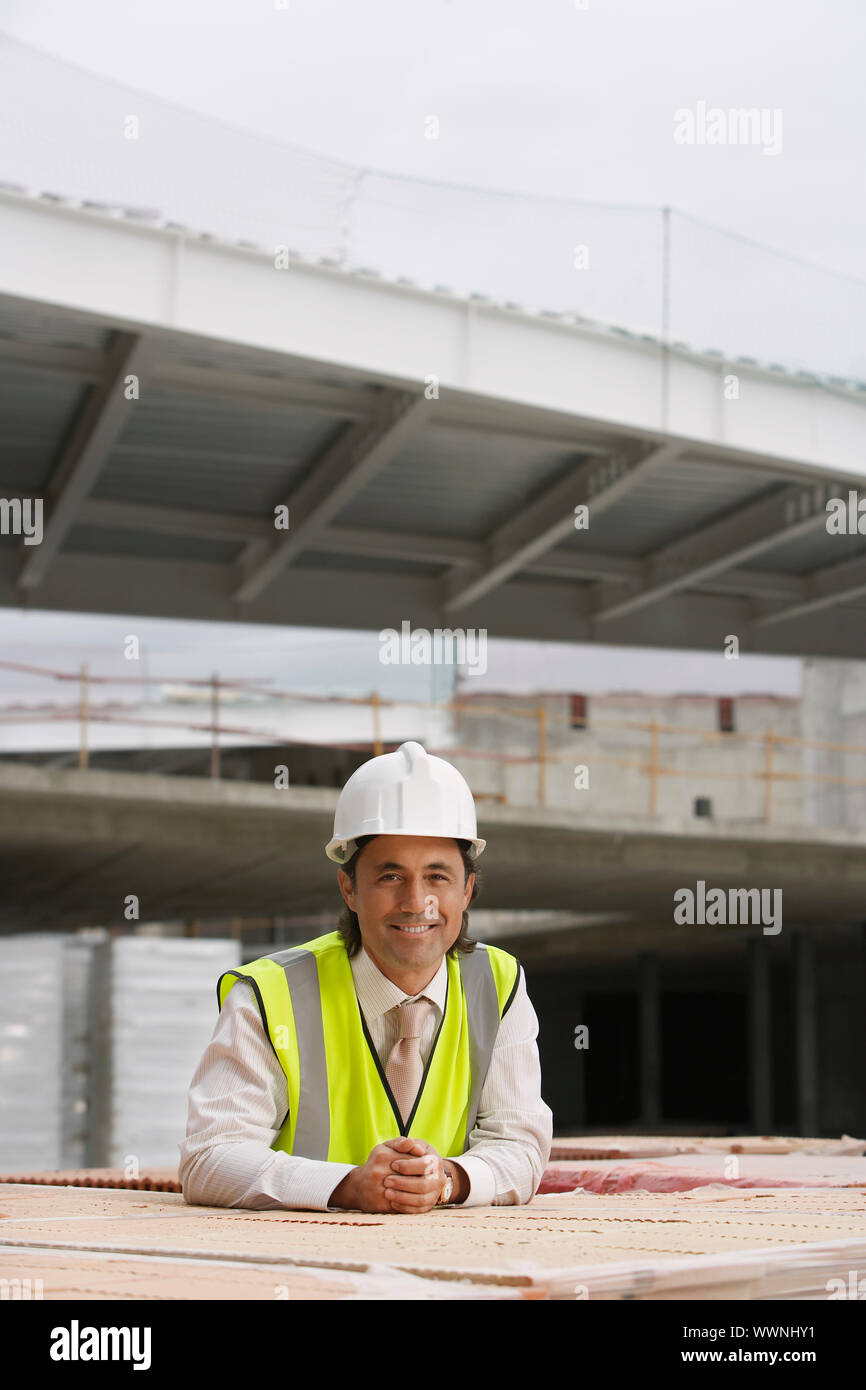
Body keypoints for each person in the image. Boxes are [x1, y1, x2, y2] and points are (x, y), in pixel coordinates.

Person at [179, 740, 553, 1213]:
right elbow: (209, 1158)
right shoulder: (273, 994)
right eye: (390, 877)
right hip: (304, 1268)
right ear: (350, 889)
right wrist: (346, 1186)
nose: (417, 902)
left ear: (467, 890)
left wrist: (448, 1180)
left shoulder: (498, 985)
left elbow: (521, 1144)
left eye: (437, 876)